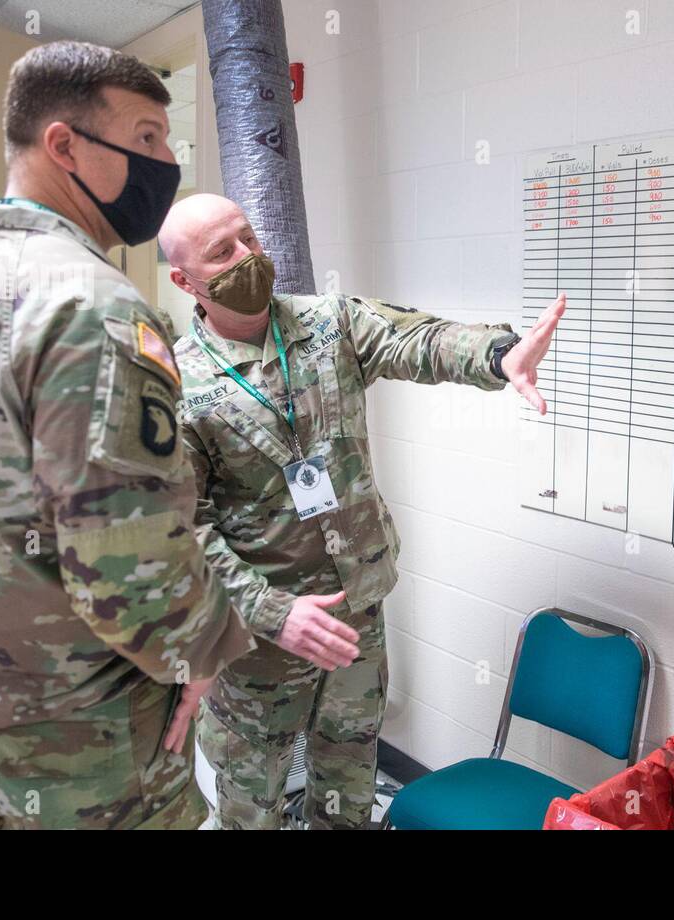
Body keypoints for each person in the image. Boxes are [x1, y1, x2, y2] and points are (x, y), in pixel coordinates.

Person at [0, 41, 263, 829]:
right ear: (64, 145)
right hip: (78, 737)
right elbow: (129, 567)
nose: (167, 163)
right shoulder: (90, 304)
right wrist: (203, 651)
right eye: (145, 139)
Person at [157, 192, 565, 829]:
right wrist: (273, 611)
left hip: (357, 614)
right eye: (223, 252)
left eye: (250, 238)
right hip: (258, 641)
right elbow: (181, 529)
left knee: (347, 788)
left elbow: (417, 339)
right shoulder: (178, 386)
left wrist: (496, 355)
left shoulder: (328, 324)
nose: (248, 256)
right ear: (186, 281)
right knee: (250, 806)